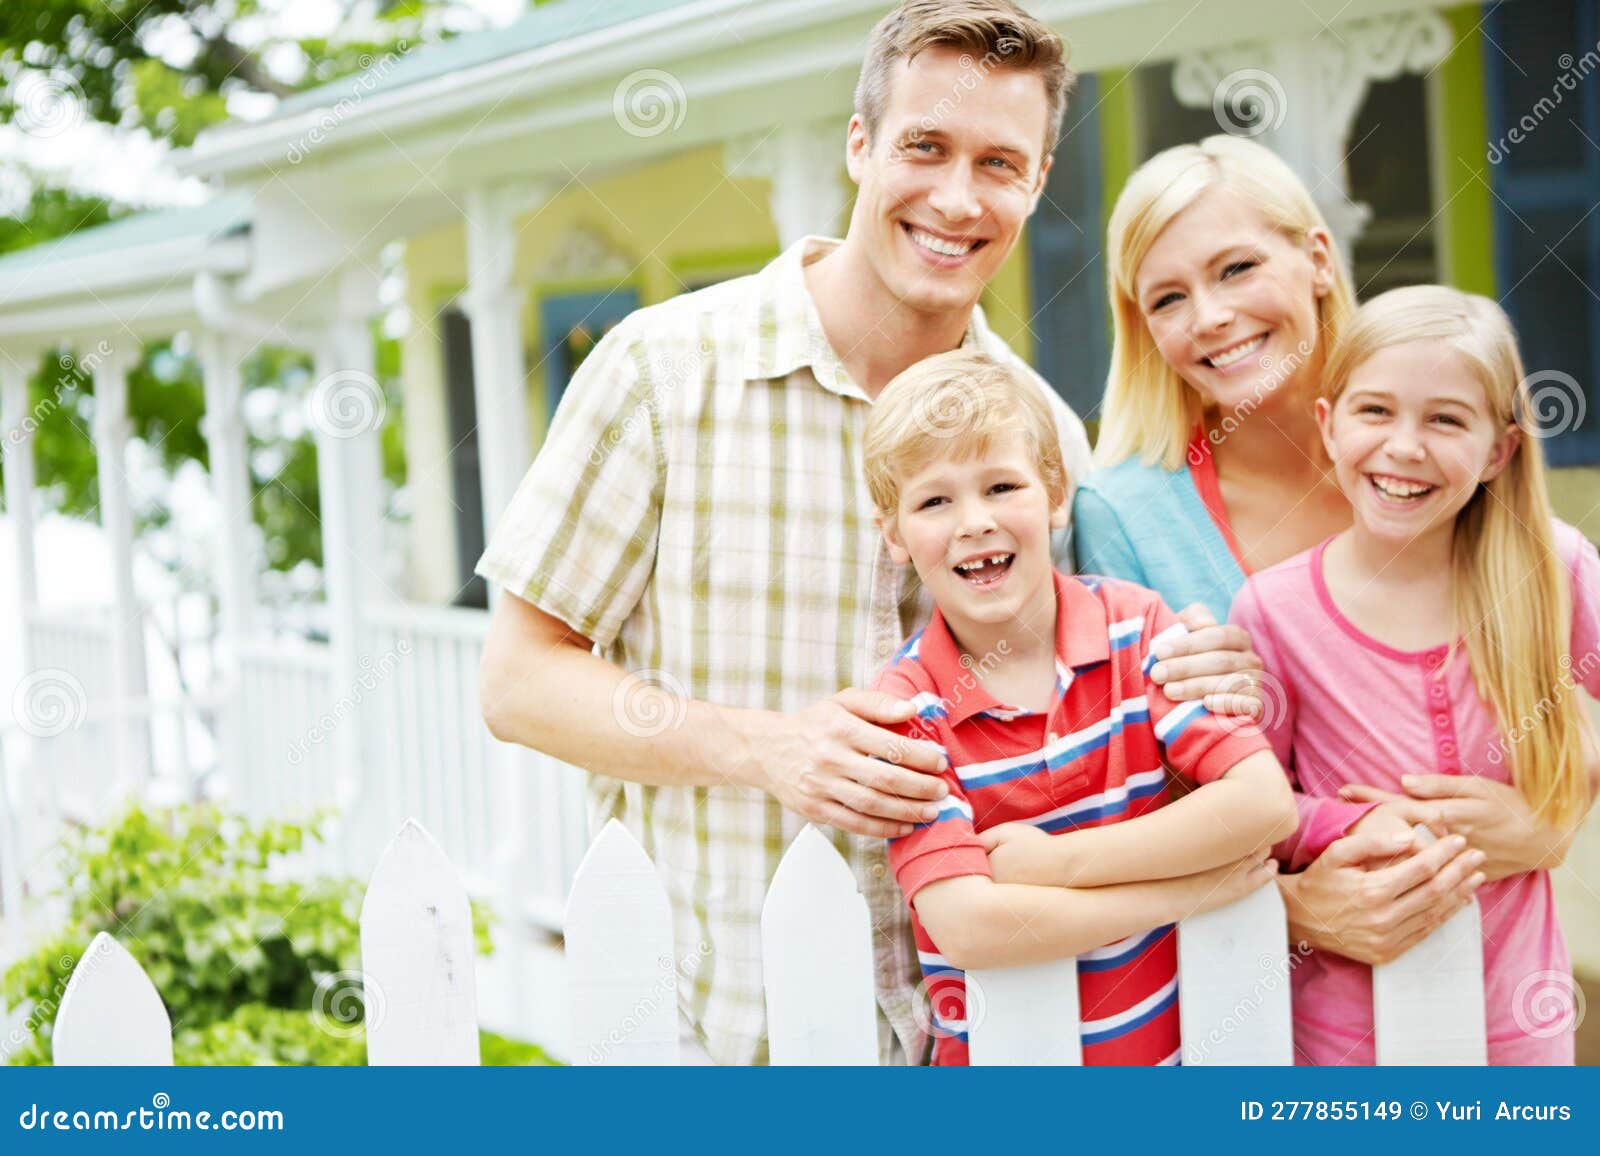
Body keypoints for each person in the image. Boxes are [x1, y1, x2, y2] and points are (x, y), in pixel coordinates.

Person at [475, 1, 1257, 1067]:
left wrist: (1203, 662)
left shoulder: (1045, 446)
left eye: (998, 163)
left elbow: (1104, 704)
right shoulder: (662, 372)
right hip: (718, 1040)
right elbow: (518, 683)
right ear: (859, 146)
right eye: (923, 147)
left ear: (1034, 185)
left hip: (984, 1041)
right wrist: (767, 747)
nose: (955, 196)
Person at [1071, 135, 1483, 975]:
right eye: (1168, 299)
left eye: (1235, 269)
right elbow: (1127, 804)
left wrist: (1547, 814)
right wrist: (1296, 910)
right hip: (1258, 996)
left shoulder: (1444, 445)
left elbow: (1556, 663)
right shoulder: (1123, 513)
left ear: (1319, 259)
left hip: (1489, 952)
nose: (1210, 318)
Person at [865, 348, 1297, 1065]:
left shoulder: (1137, 629)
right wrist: (1176, 894)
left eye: (1002, 486)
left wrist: (1057, 863)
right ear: (895, 535)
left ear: (1056, 491)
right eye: (935, 501)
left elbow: (1261, 804)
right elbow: (971, 927)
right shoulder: (908, 710)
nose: (974, 522)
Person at [1230, 285, 1600, 1063]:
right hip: (1342, 1041)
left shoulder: (1553, 569)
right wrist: (1352, 822)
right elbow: (1248, 807)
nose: (1405, 446)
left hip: (1521, 1031)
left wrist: (1564, 796)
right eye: (1376, 412)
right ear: (1328, 428)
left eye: (1446, 419)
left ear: (1499, 451)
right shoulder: (1273, 610)